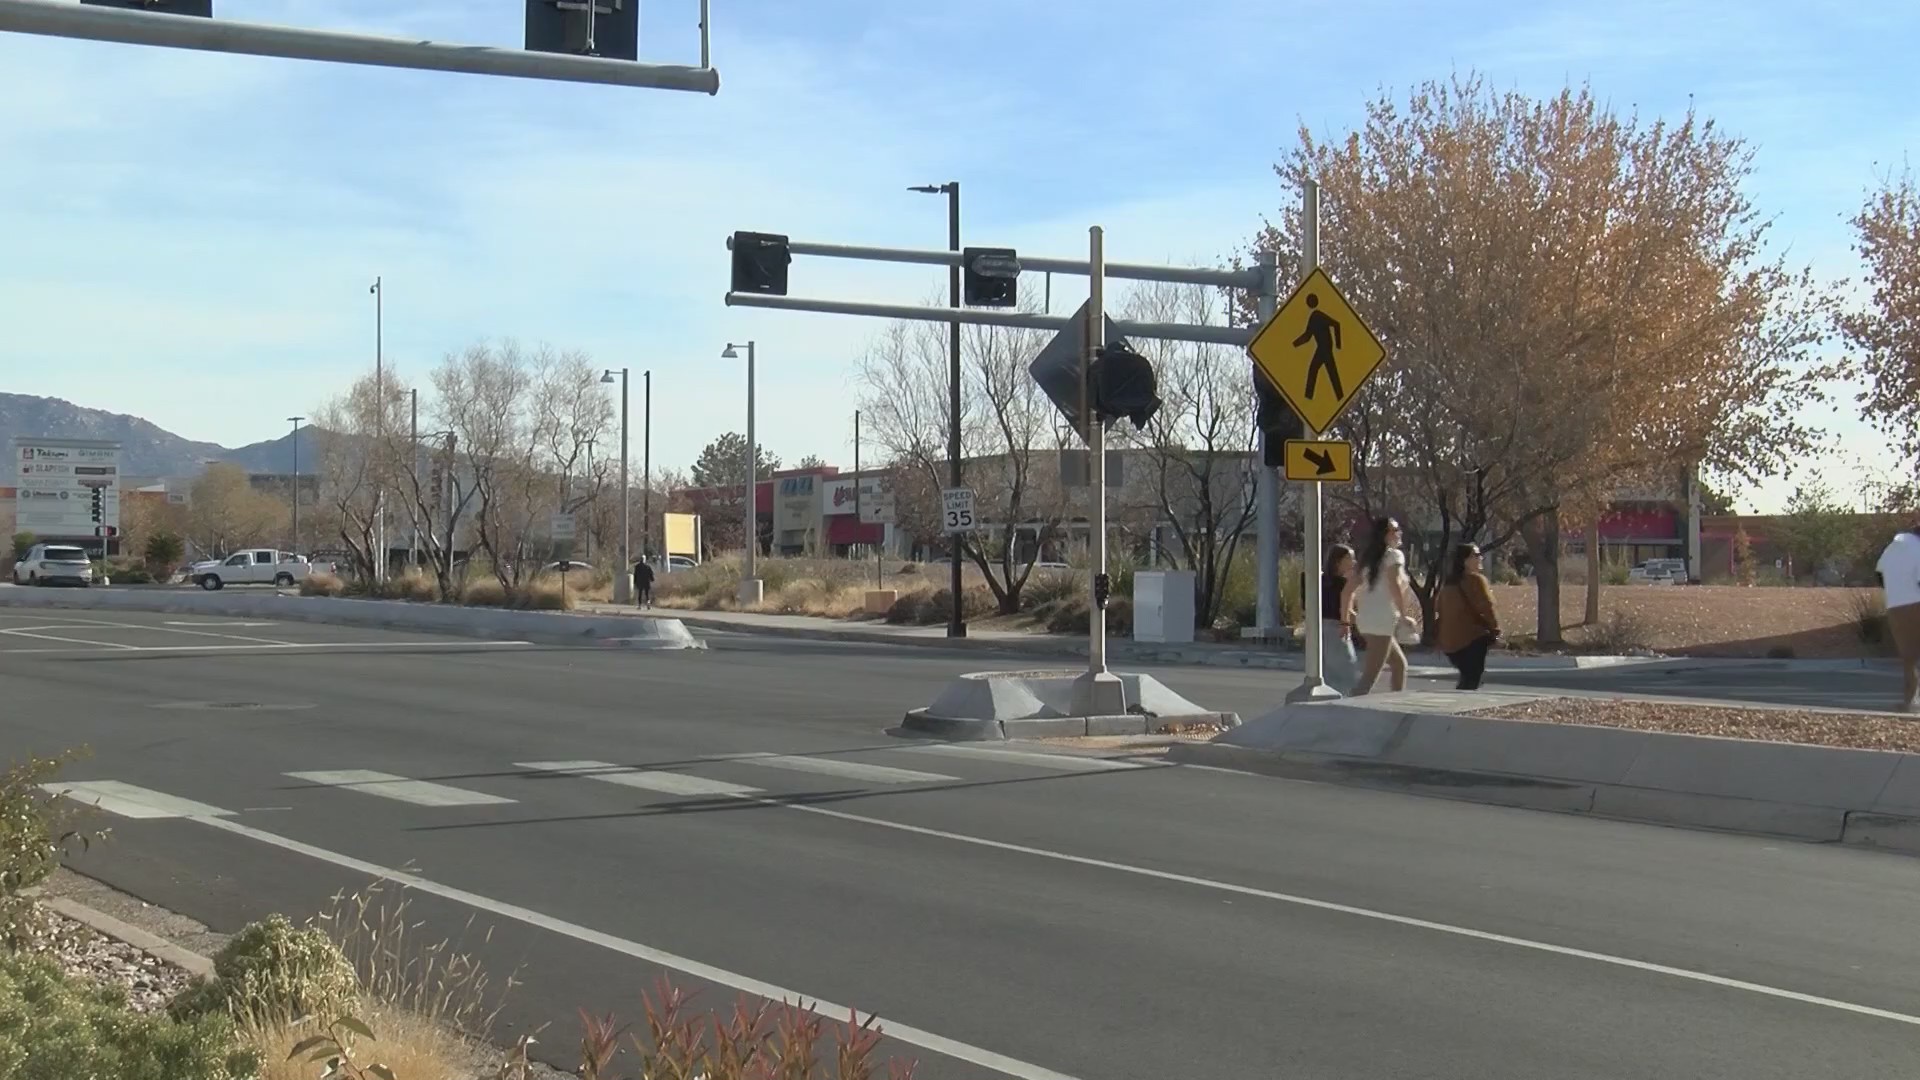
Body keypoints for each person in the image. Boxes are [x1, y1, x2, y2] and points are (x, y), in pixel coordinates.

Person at [1347, 517, 1419, 696]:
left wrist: (1348, 615)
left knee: (1399, 665)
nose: (1399, 533)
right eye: (1395, 530)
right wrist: (1404, 615)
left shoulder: (1367, 559)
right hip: (1383, 618)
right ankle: (1347, 706)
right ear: (1385, 535)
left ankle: (1396, 701)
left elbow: (1348, 590)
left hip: (1367, 619)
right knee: (1370, 676)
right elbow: (1395, 585)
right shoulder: (1394, 556)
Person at [1435, 543, 1501, 690]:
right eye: (1476, 555)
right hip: (1472, 639)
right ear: (1465, 560)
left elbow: (1439, 609)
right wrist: (1496, 630)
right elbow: (1487, 607)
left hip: (1449, 643)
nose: (1480, 558)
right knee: (1471, 681)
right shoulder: (1476, 580)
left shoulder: (1448, 584)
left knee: (1466, 679)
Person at [1875, 524, 1920, 712]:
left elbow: (1879, 574)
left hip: (1895, 605)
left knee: (1909, 658)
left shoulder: (1893, 548)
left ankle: (1910, 700)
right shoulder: (1917, 548)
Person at [1319, 544, 1360, 694]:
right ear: (1338, 561)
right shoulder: (1344, 584)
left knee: (1327, 671)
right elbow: (1345, 610)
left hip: (1320, 628)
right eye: (1350, 558)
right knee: (1348, 670)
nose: (1354, 562)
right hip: (1338, 628)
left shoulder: (1319, 581)